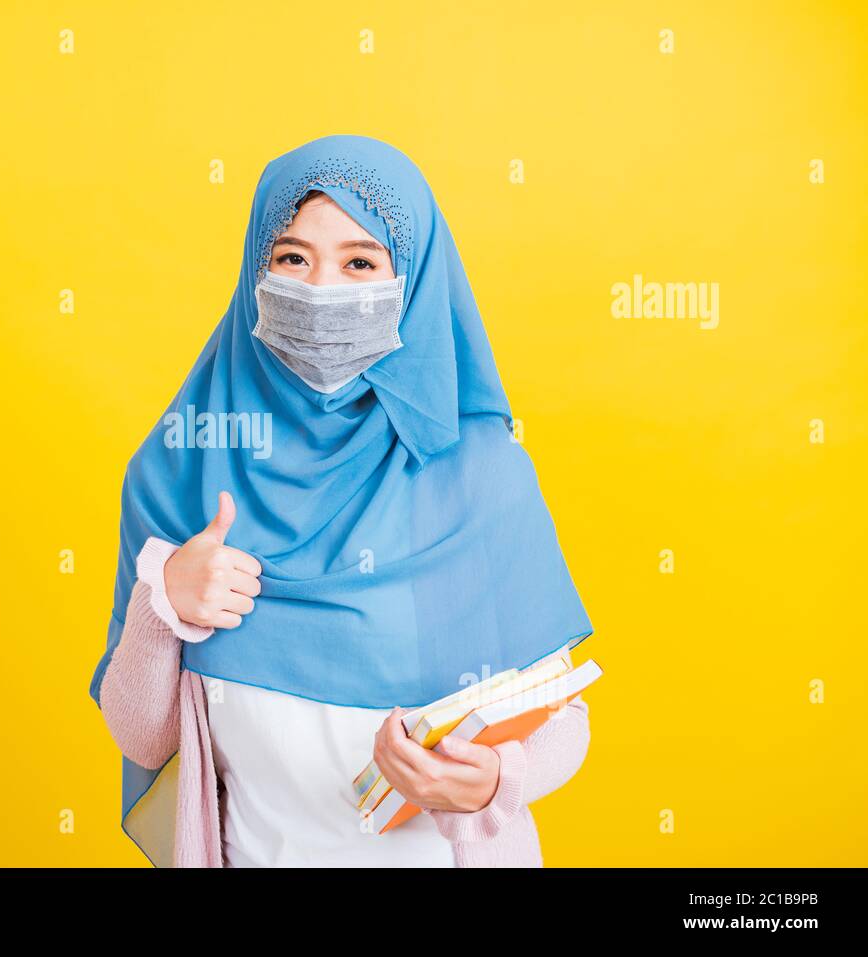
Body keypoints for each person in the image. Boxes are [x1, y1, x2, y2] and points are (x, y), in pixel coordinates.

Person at [90, 134, 594, 867]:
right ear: (254, 272)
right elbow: (143, 739)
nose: (322, 289)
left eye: (361, 262)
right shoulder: (182, 466)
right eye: (292, 258)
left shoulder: (483, 476)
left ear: (413, 283)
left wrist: (493, 781)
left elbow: (563, 719)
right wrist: (160, 601)